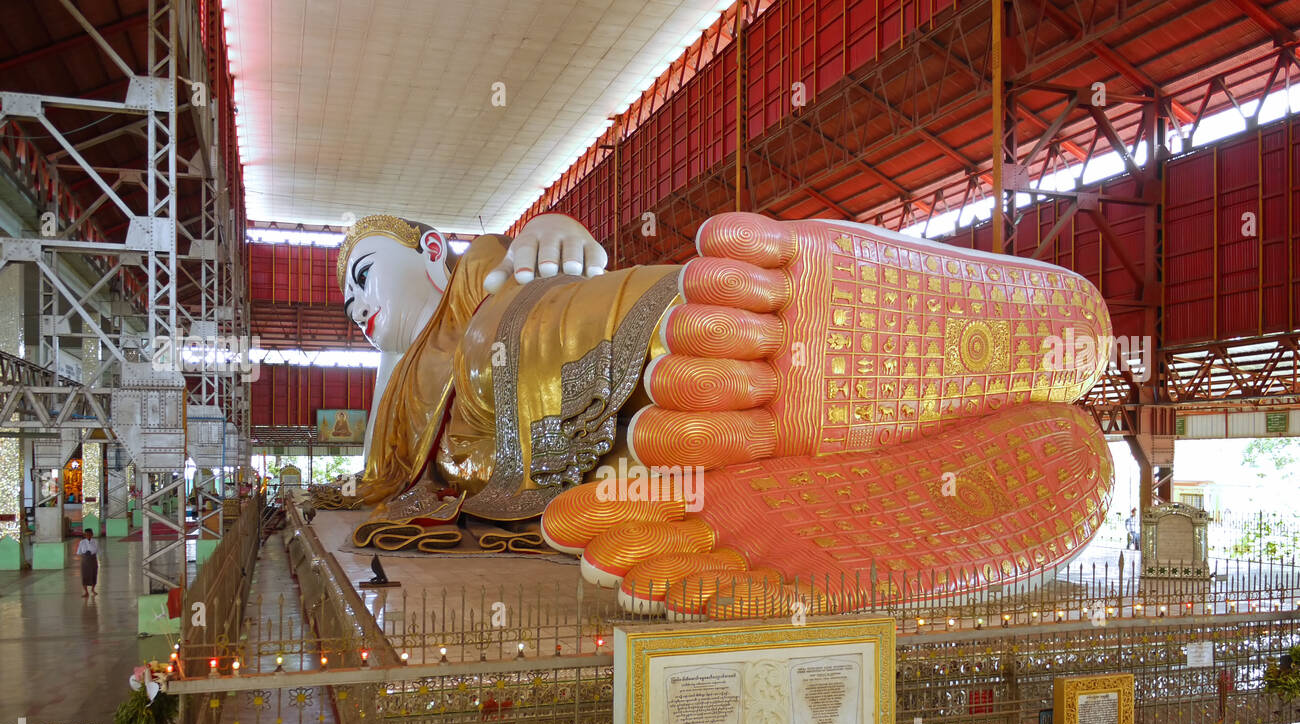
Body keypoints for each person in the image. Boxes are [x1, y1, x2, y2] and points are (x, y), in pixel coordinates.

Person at [342, 209, 1115, 615]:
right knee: (657, 470)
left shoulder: (477, 269)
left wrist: (550, 232)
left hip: (526, 344)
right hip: (554, 466)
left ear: (433, 247)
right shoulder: (400, 396)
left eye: (365, 278)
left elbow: (536, 258)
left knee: (641, 336)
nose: (358, 310)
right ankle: (791, 457)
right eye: (348, 304)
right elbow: (385, 480)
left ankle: (766, 370)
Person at [75, 527, 98, 598]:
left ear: (92, 534)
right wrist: (83, 558)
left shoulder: (95, 542)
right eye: (86, 534)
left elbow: (99, 551)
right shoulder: (82, 542)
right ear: (84, 535)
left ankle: (93, 589)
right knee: (84, 576)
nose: (88, 535)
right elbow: (78, 552)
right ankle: (86, 592)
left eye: (89, 534)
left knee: (94, 575)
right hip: (85, 561)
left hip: (93, 560)